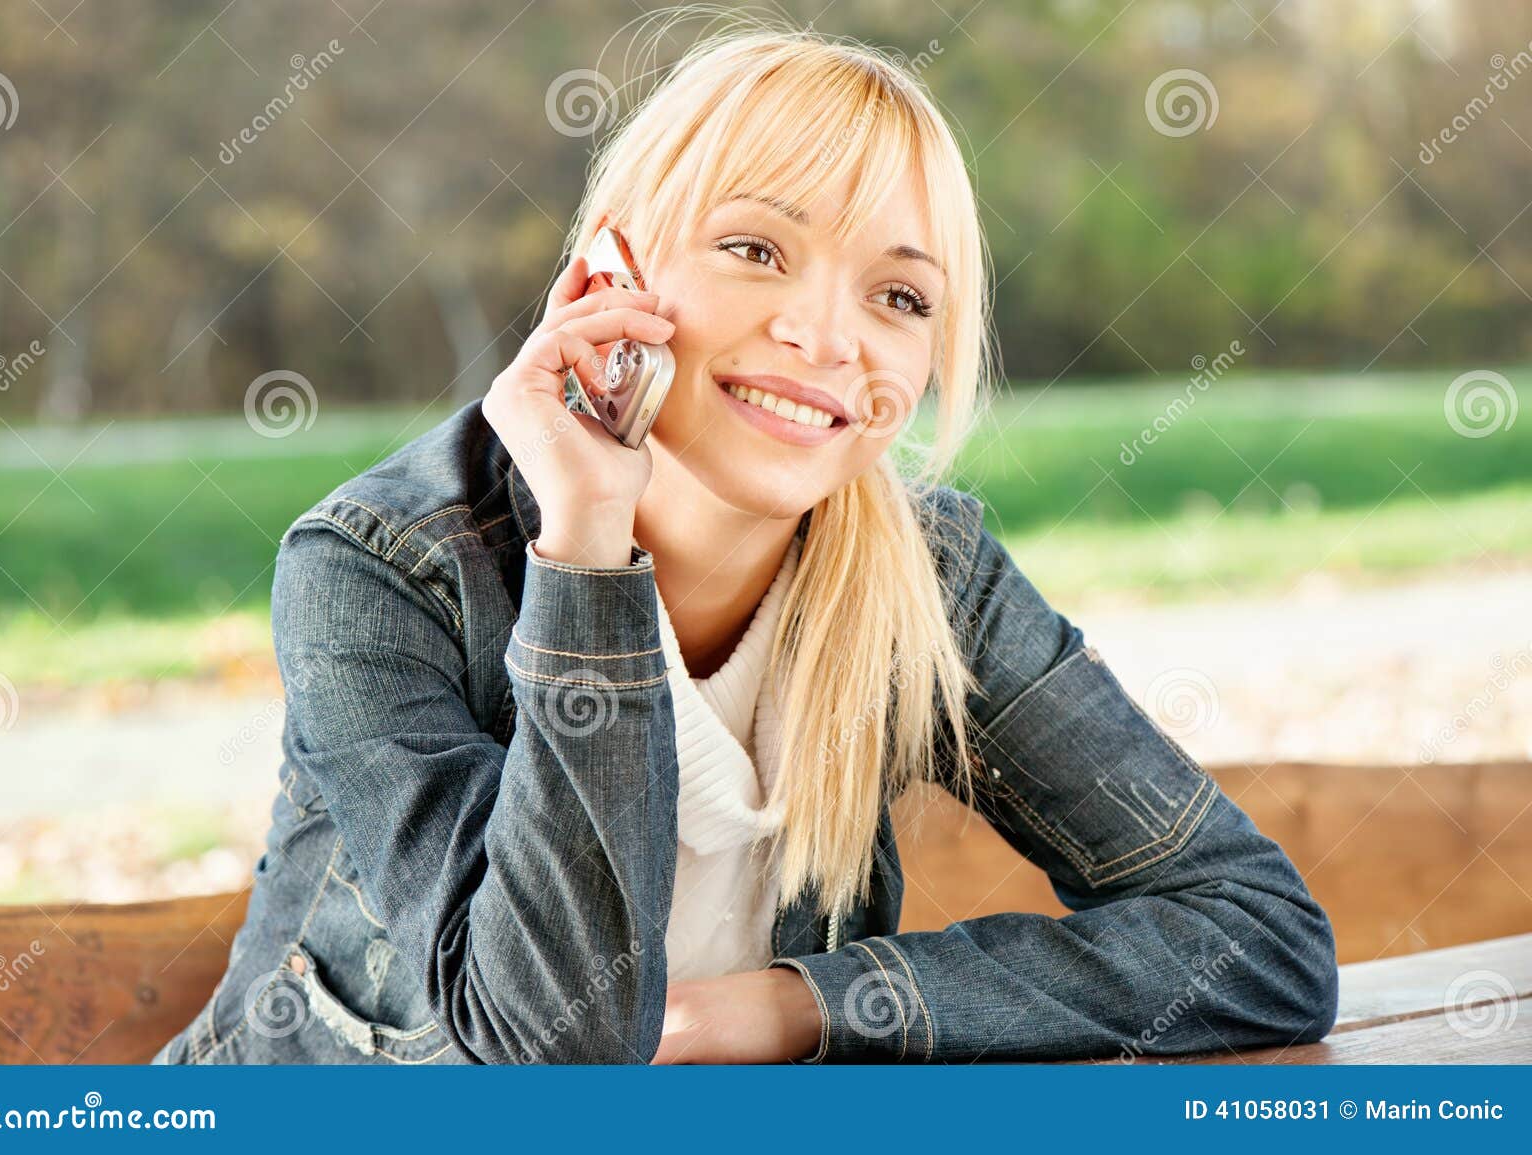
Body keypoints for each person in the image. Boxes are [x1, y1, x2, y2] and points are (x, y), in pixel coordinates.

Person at [153, 18, 1337, 1066]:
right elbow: (548, 1048)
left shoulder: (922, 578)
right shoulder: (381, 569)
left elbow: (1256, 935)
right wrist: (585, 549)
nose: (826, 336)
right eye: (757, 249)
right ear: (609, 276)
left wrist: (778, 1010)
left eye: (899, 297)